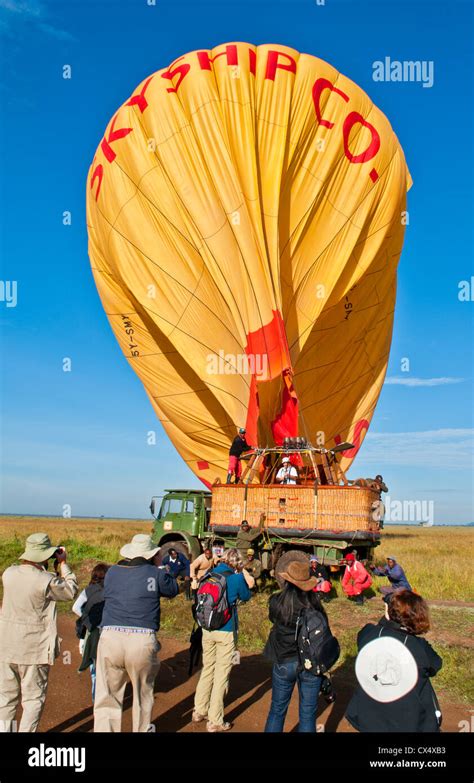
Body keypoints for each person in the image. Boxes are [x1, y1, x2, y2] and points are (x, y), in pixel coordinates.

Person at [93, 534, 178, 732]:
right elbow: (172, 589)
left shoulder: (113, 572)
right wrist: (159, 568)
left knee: (107, 696)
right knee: (142, 696)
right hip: (141, 640)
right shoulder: (156, 574)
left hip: (110, 636)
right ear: (152, 555)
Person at [0, 533, 78, 732]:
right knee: (33, 698)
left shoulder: (8, 573)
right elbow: (70, 590)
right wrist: (63, 566)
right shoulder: (46, 580)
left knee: (6, 699)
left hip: (6, 645)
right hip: (33, 648)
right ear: (45, 555)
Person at [345, 590, 442, 732]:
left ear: (389, 614)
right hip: (407, 721)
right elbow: (436, 665)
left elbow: (372, 633)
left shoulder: (368, 633)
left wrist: (387, 619)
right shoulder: (420, 647)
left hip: (369, 717)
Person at [192, 548, 252, 732]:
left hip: (207, 628)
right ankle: (215, 720)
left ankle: (199, 710)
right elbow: (246, 596)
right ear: (238, 563)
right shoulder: (236, 578)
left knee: (208, 667)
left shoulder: (210, 573)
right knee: (222, 674)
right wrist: (243, 575)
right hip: (225, 629)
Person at [263, 561, 325, 732]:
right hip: (310, 664)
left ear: (287, 581)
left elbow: (272, 619)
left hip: (284, 660)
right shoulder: (314, 605)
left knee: (277, 711)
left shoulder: (276, 601)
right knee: (308, 715)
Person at [73, 562, 109, 701]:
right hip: (106, 633)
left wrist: (87, 617)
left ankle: (96, 701)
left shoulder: (88, 590)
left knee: (94, 669)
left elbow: (75, 608)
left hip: (89, 633)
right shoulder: (111, 591)